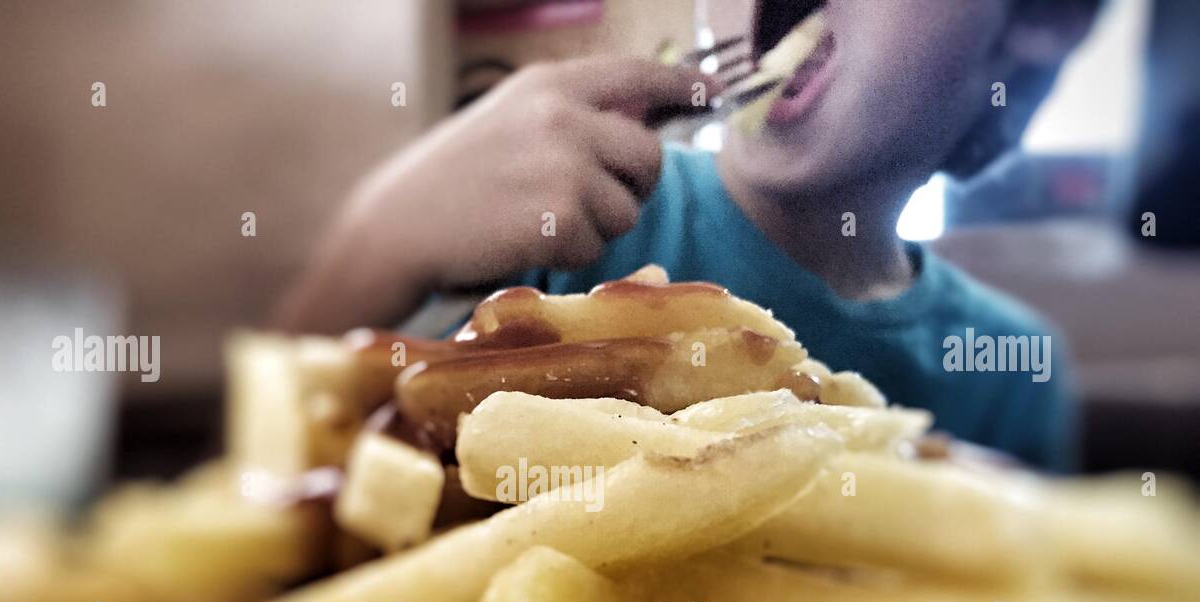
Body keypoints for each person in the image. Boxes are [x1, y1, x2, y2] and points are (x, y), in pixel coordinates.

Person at [278, 0, 1104, 469]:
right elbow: (268, 477)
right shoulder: (567, 224)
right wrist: (376, 241)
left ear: (1044, 19)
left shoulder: (1011, 371)